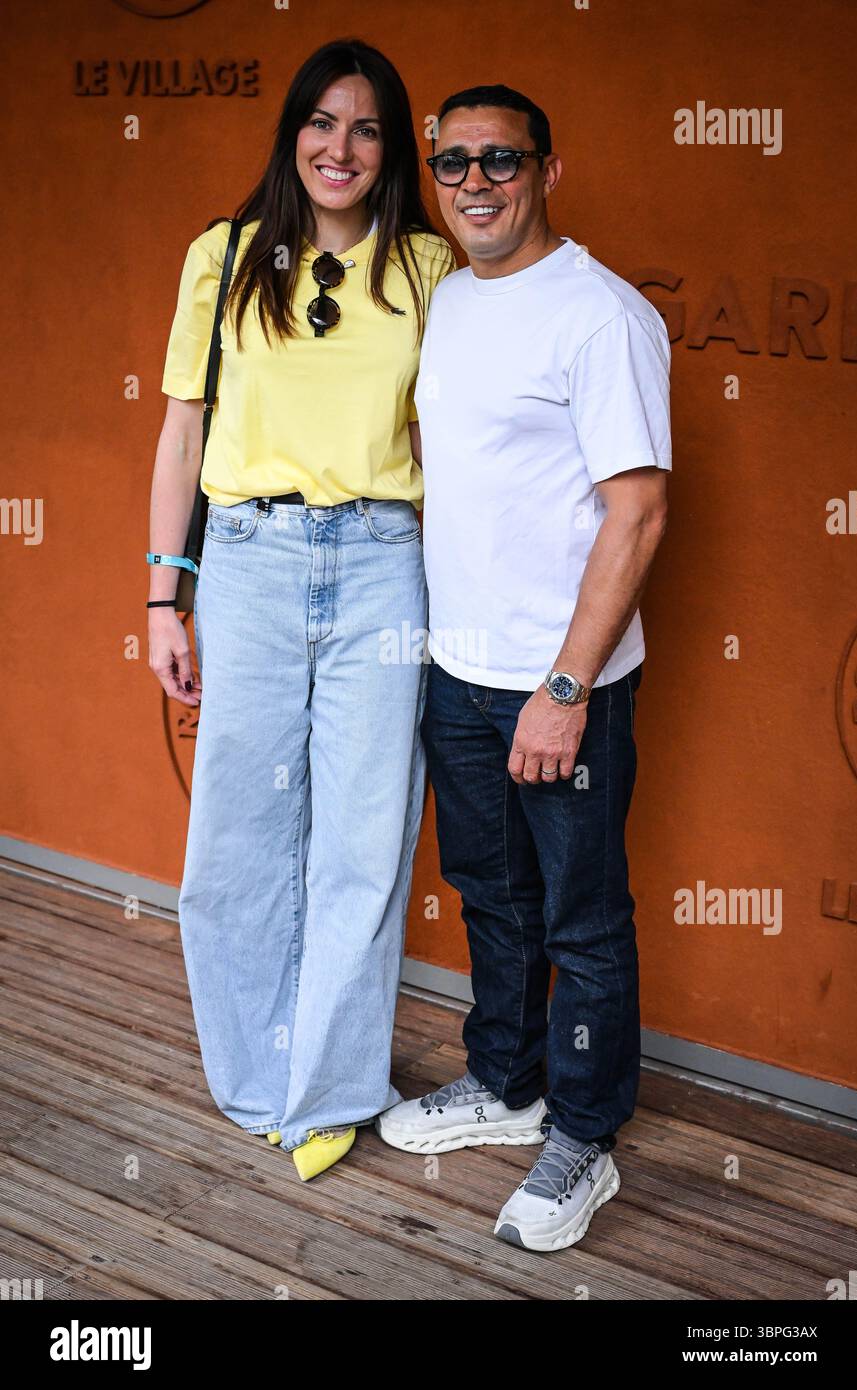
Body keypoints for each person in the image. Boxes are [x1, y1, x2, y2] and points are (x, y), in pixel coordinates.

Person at [146, 38, 455, 1182]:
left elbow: (460, 437)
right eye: (323, 123)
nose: (342, 147)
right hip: (249, 558)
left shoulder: (428, 269)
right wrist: (160, 595)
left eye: (368, 128)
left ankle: (327, 1090)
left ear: (390, 148)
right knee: (235, 834)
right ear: (291, 133)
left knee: (365, 838)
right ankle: (253, 1076)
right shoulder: (222, 257)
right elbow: (181, 435)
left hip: (382, 561)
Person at [376, 84, 671, 1251]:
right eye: (452, 163)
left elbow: (638, 514)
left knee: (582, 920)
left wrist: (564, 688)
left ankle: (584, 1137)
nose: (475, 183)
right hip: (458, 670)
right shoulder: (450, 298)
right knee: (492, 895)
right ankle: (506, 1084)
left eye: (502, 159)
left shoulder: (599, 315)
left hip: (563, 686)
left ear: (549, 168)